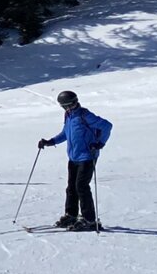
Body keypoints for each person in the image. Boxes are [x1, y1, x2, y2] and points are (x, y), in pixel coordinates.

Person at [39, 90, 112, 230]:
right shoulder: (68, 116)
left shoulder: (85, 115)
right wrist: (50, 141)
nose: (68, 108)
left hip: (87, 156)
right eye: (65, 106)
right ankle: (71, 215)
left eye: (68, 105)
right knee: (71, 187)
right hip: (73, 157)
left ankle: (89, 220)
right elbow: (65, 133)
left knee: (82, 187)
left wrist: (100, 143)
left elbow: (107, 126)